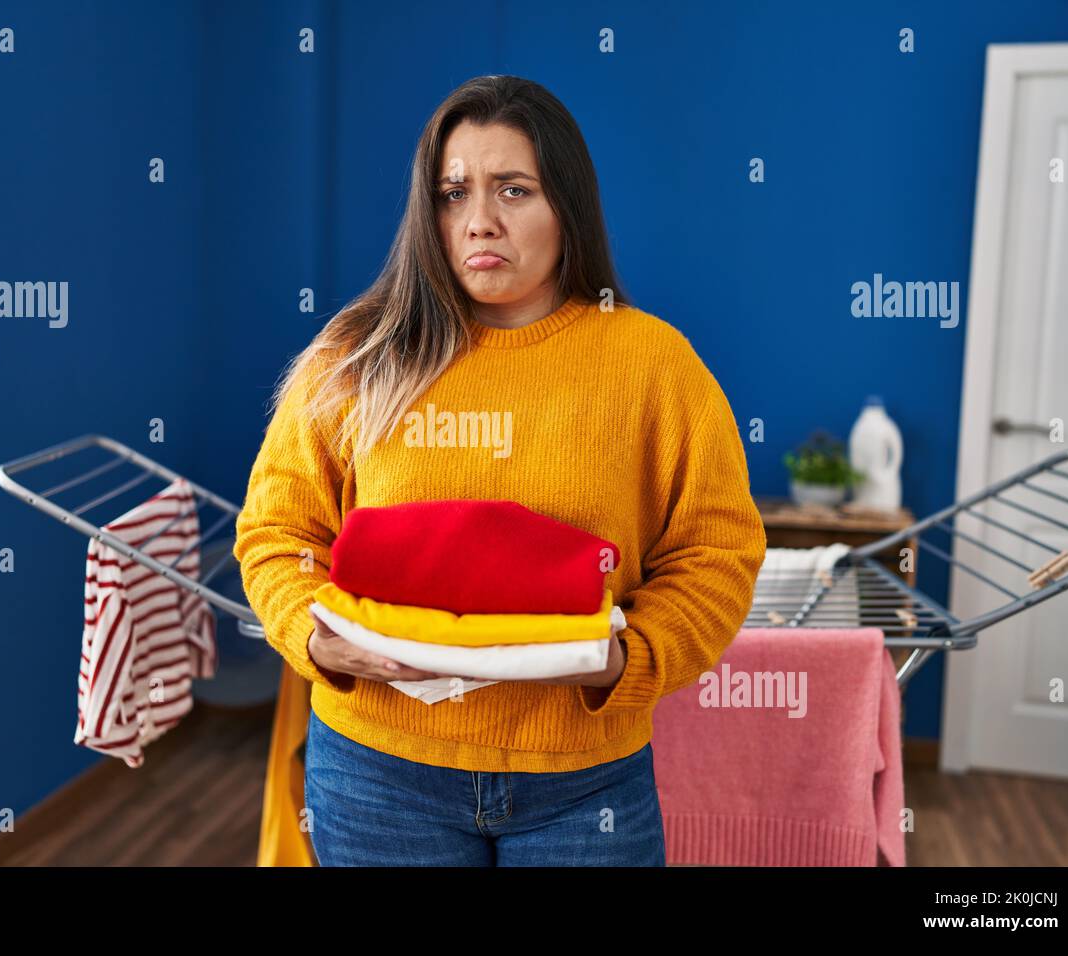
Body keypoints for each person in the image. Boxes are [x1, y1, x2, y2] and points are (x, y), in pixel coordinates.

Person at [234, 74, 766, 867]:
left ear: (567, 206)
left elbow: (716, 554)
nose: (479, 220)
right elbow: (277, 533)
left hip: (586, 787)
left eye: (512, 190)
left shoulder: (655, 365)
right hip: (378, 776)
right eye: (453, 193)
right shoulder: (356, 355)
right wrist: (316, 638)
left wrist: (632, 658)